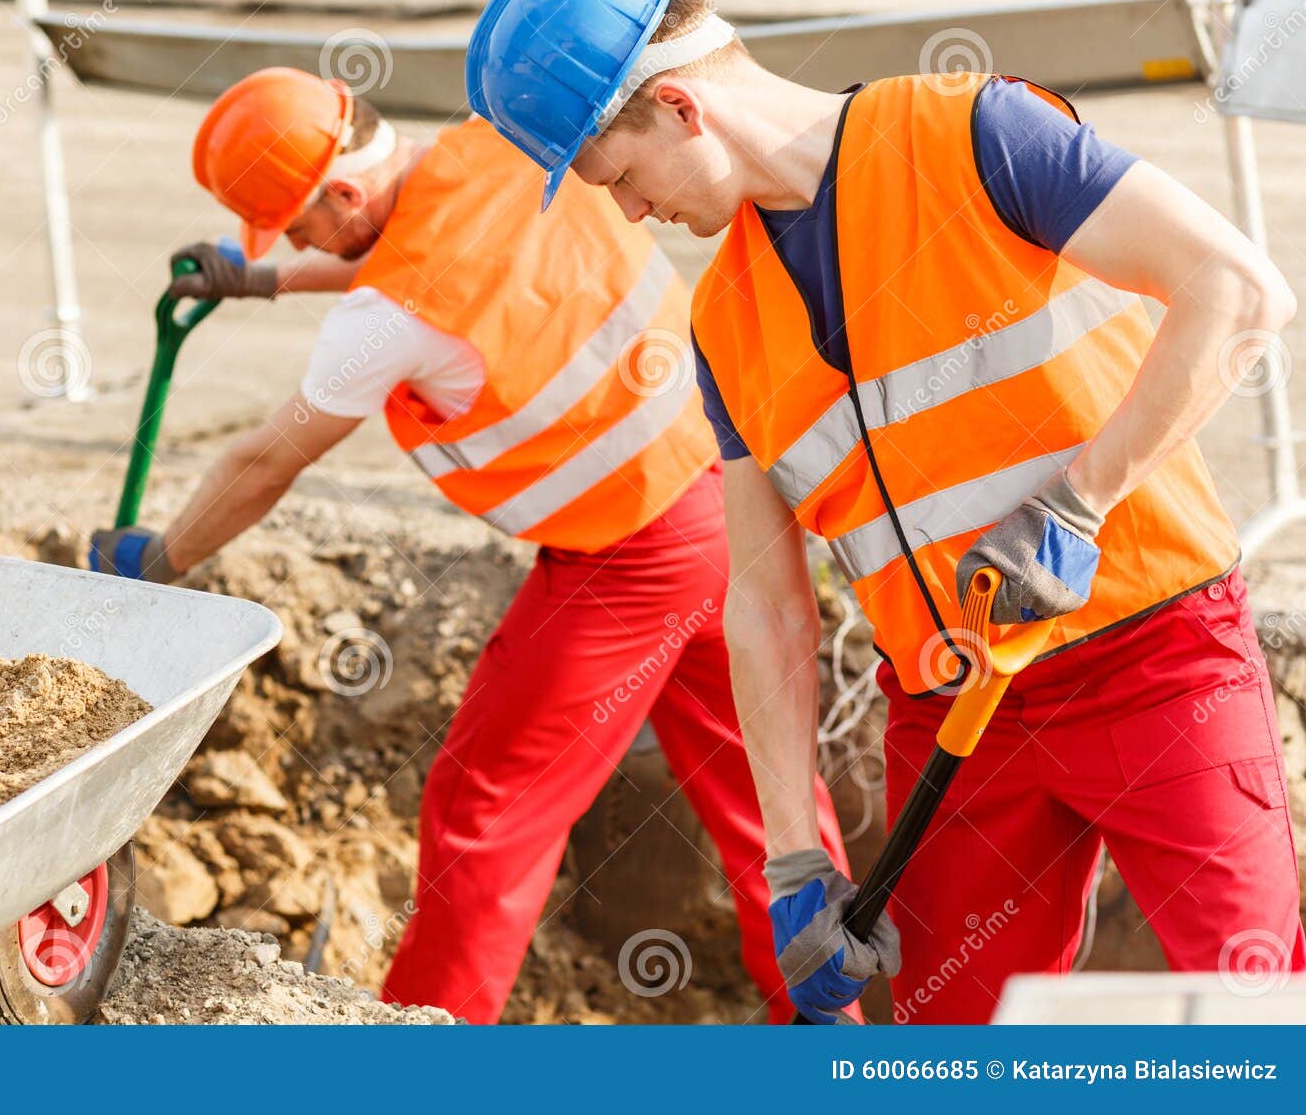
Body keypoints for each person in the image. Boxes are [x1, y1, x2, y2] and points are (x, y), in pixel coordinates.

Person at [468, 0, 1304, 1023]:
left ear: (680, 106)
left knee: (1255, 1008)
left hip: (1156, 659)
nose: (632, 214)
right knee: (953, 1048)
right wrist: (787, 860)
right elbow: (766, 602)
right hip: (956, 711)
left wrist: (1079, 502)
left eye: (619, 180)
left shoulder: (972, 135)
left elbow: (1235, 291)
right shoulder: (724, 324)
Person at [89, 66, 852, 1023]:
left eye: (293, 228)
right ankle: (836, 1039)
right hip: (735, 506)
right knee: (768, 808)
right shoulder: (498, 149)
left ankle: (421, 1053)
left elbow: (260, 464)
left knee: (486, 806)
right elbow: (422, 244)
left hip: (631, 555)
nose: (293, 243)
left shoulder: (389, 317)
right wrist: (263, 280)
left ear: (344, 193)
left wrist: (157, 563)